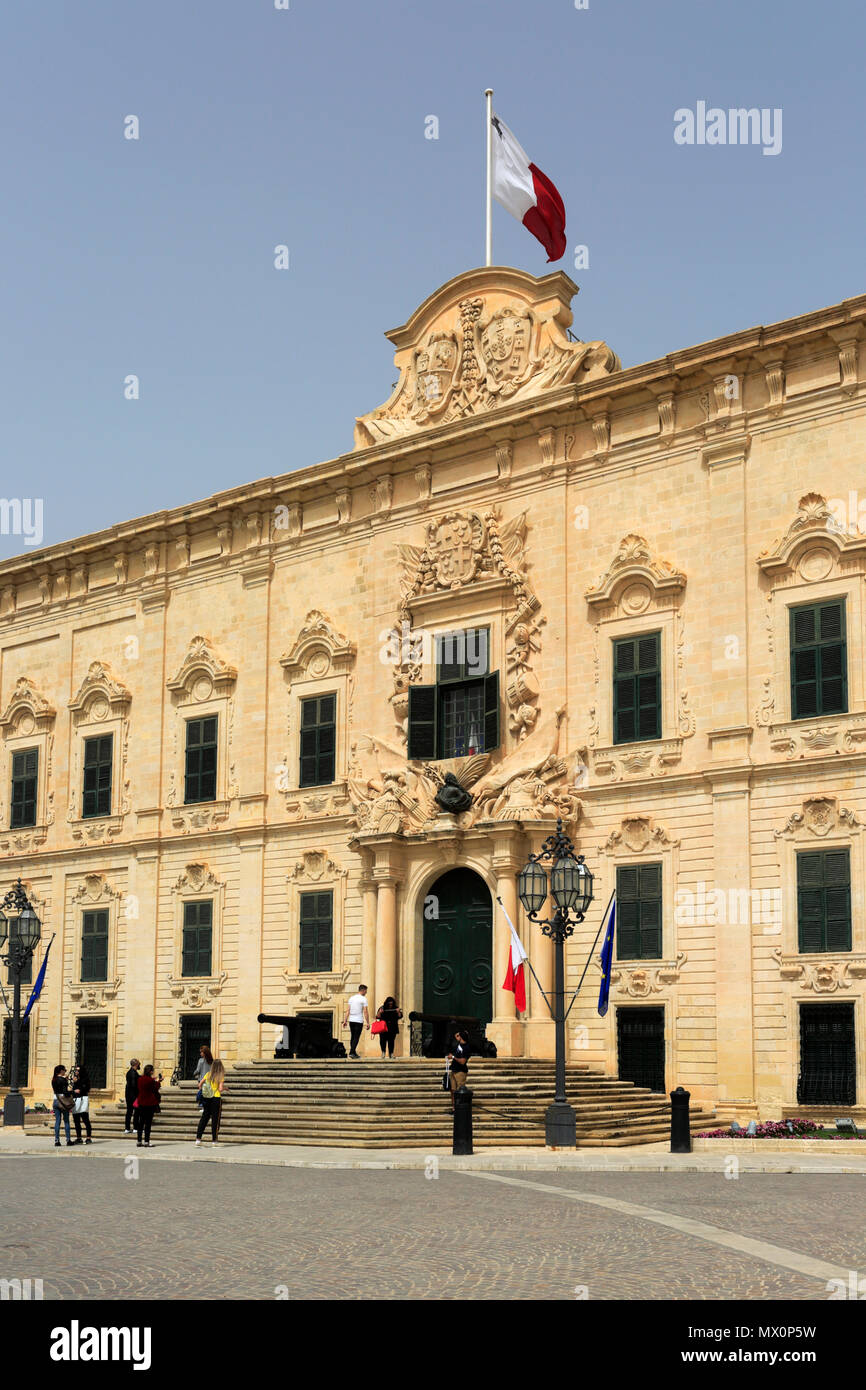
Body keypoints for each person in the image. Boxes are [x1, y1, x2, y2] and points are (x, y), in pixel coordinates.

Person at [195, 1059, 225, 1145]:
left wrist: (204, 1091)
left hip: (207, 1098)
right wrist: (224, 1088)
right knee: (215, 1119)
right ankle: (214, 1140)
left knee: (204, 1118)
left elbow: (200, 1084)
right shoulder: (220, 1076)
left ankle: (198, 1139)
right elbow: (220, 1089)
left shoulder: (208, 1074)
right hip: (216, 1098)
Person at [135, 1065, 162, 1147]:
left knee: (141, 1122)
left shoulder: (140, 1079)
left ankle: (139, 1141)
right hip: (149, 1103)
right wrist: (159, 1081)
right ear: (150, 1071)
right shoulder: (150, 1080)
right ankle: (146, 1141)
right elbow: (155, 1088)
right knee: (148, 1123)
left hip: (141, 1102)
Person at [342, 984, 370, 1059]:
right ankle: (351, 1052)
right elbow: (365, 1011)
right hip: (358, 1021)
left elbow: (348, 1010)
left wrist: (345, 1021)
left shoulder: (351, 998)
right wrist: (368, 1022)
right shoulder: (363, 999)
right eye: (366, 991)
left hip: (351, 1020)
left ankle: (353, 1052)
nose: (366, 993)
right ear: (363, 990)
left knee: (353, 1036)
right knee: (356, 1037)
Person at [447, 1030, 470, 1109]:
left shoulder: (466, 1048)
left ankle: (460, 1109)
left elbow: (463, 1061)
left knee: (459, 1091)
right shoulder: (459, 1043)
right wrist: (461, 1033)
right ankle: (454, 1108)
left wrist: (453, 1057)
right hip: (454, 1070)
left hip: (460, 1072)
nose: (457, 1037)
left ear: (461, 1038)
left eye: (459, 1036)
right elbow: (455, 1035)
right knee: (453, 1090)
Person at [70, 1063, 93, 1145]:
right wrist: (74, 1083)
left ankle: (88, 1137)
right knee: (76, 1120)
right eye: (75, 1070)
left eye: (78, 1070)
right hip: (76, 1100)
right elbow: (74, 1089)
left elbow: (85, 1088)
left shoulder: (85, 1079)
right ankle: (79, 1137)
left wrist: (78, 1082)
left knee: (85, 1119)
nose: (76, 1071)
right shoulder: (75, 1079)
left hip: (83, 1100)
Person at [52, 1064, 74, 1147]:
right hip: (63, 1102)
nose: (65, 1071)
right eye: (64, 1070)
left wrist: (65, 1079)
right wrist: (73, 1092)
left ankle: (57, 1140)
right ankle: (68, 1140)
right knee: (66, 1121)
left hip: (55, 1100)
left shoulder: (53, 1079)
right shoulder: (63, 1080)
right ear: (61, 1071)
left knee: (57, 1121)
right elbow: (65, 1092)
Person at [124, 1059, 141, 1134]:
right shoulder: (133, 1073)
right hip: (133, 1095)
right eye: (139, 1063)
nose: (139, 1065)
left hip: (128, 1095)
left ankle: (127, 1128)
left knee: (129, 1111)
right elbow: (134, 1085)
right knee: (136, 1111)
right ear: (136, 1064)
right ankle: (135, 1128)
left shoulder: (129, 1072)